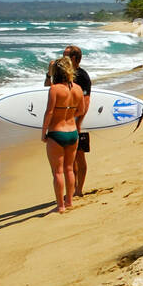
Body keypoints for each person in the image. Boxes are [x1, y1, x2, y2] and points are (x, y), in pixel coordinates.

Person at [41, 55, 84, 213]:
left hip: (57, 133)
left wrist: (44, 131)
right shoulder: (78, 89)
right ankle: (70, 202)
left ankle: (60, 206)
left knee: (58, 171)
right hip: (72, 133)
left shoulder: (54, 89)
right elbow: (81, 110)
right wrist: (70, 116)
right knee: (69, 169)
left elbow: (49, 112)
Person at [64, 45, 92, 196]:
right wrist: (49, 74)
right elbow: (48, 87)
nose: (62, 58)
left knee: (79, 155)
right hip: (65, 121)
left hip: (79, 122)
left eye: (65, 55)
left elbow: (86, 102)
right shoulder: (63, 75)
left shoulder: (82, 76)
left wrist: (78, 123)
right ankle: (72, 188)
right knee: (69, 158)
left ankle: (79, 190)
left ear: (74, 58)